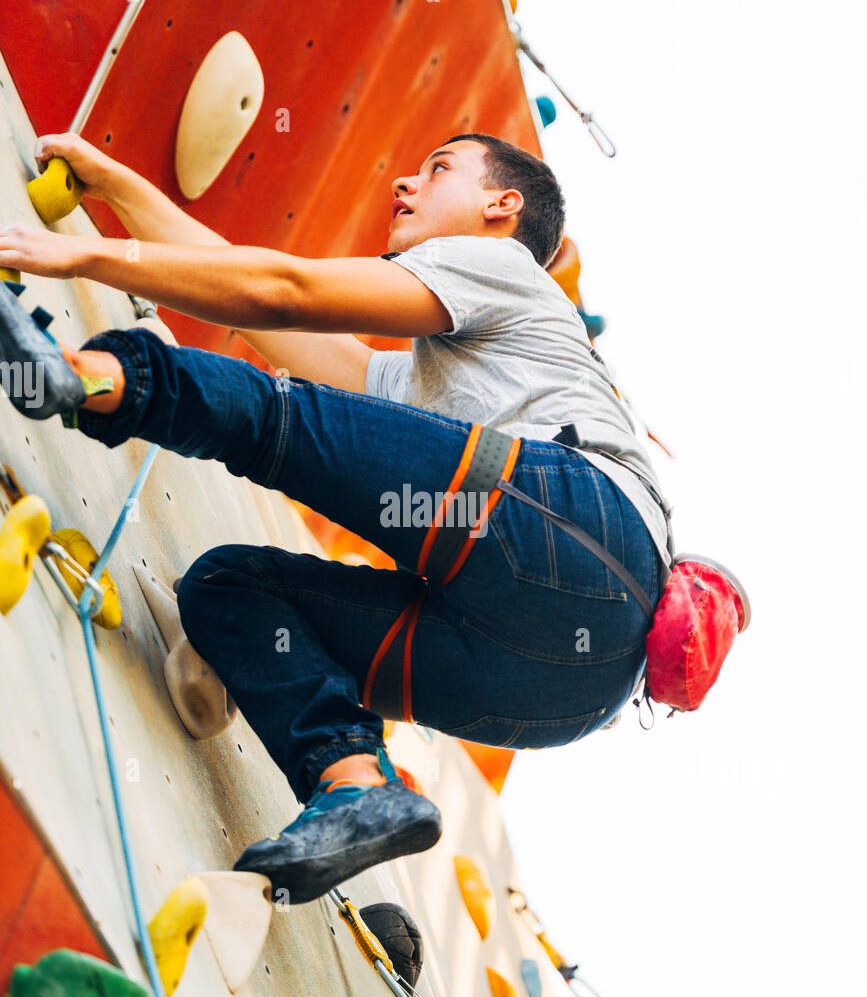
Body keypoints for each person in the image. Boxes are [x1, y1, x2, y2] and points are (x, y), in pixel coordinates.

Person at [0, 131, 671, 902]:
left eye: (437, 168)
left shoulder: (500, 263)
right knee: (232, 593)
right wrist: (116, 184)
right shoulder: (422, 379)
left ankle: (72, 375)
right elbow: (264, 313)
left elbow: (283, 289)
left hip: (575, 521)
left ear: (501, 206)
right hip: (564, 694)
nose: (404, 184)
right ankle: (355, 786)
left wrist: (82, 257)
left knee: (276, 422)